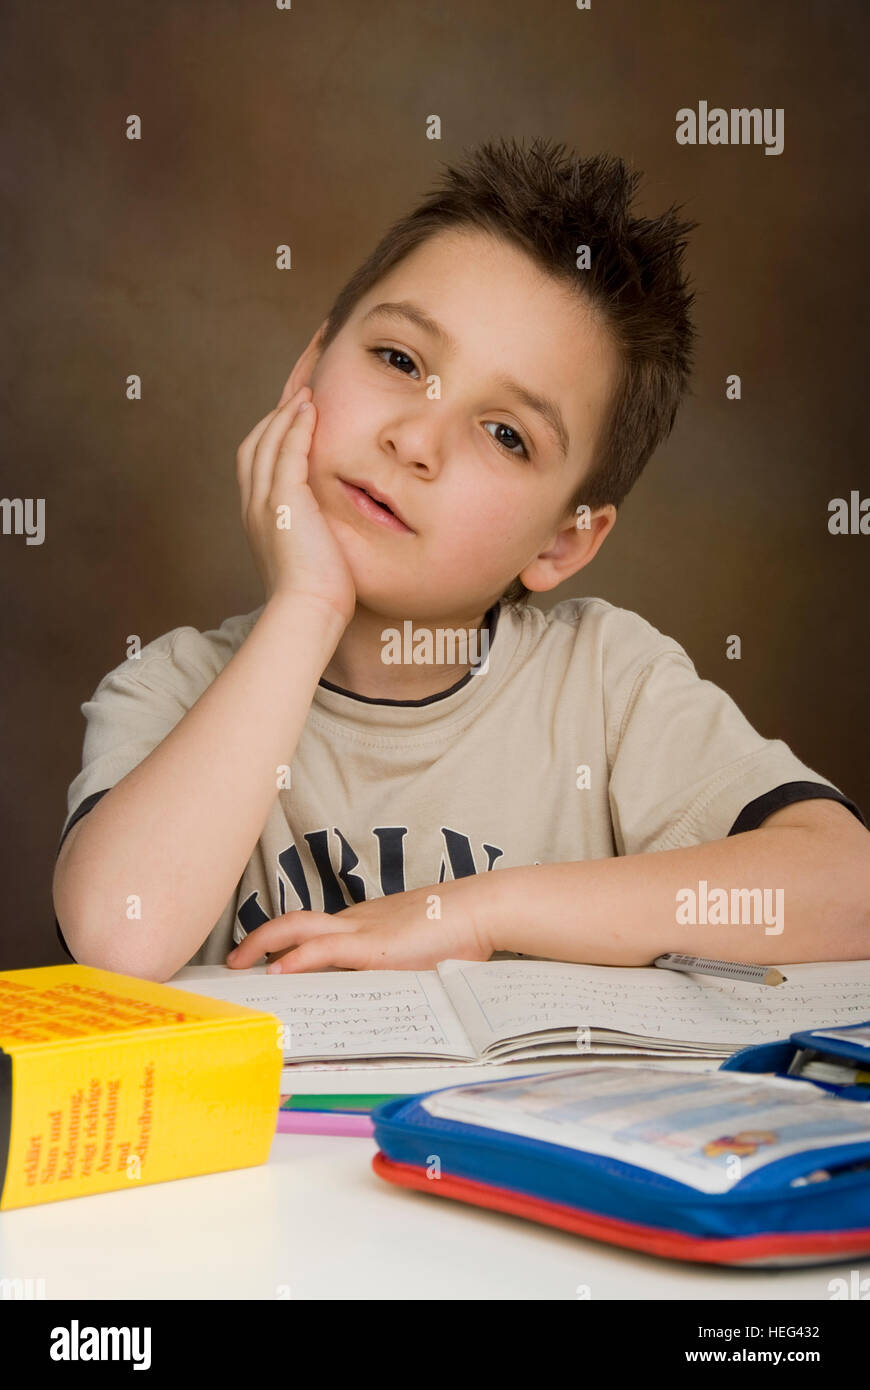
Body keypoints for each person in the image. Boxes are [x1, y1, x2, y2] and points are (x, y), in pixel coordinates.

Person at [52, 138, 869, 984]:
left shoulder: (605, 688)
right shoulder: (170, 689)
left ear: (565, 539)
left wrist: (477, 913)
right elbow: (120, 935)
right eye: (400, 361)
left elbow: (851, 889)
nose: (415, 440)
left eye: (506, 434)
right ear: (308, 369)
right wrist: (307, 608)